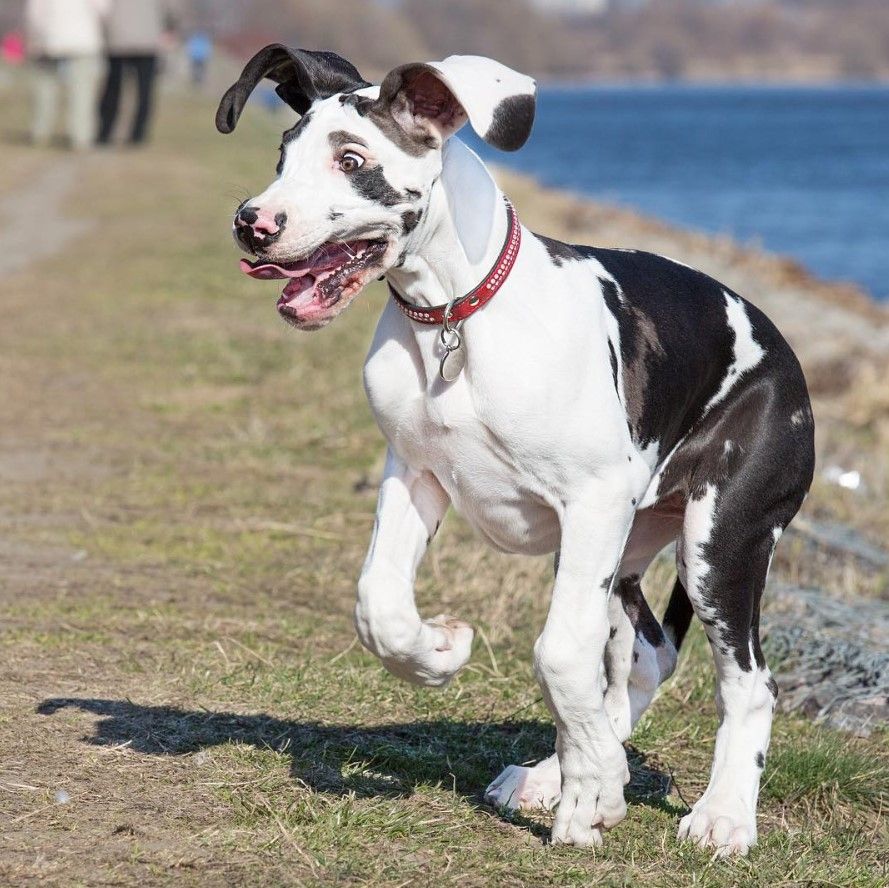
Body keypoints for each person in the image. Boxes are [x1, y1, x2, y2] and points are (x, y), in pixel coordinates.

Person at [25, 0, 109, 150]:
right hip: (83, 38)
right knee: (82, 91)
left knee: (46, 89)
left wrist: (37, 35)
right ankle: (81, 136)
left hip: (50, 37)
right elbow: (103, 10)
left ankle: (41, 131)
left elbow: (35, 13)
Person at [97, 0, 177, 146]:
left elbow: (101, 8)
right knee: (144, 90)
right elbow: (170, 8)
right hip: (147, 38)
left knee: (113, 88)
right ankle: (138, 134)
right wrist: (170, 26)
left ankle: (105, 131)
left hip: (118, 37)